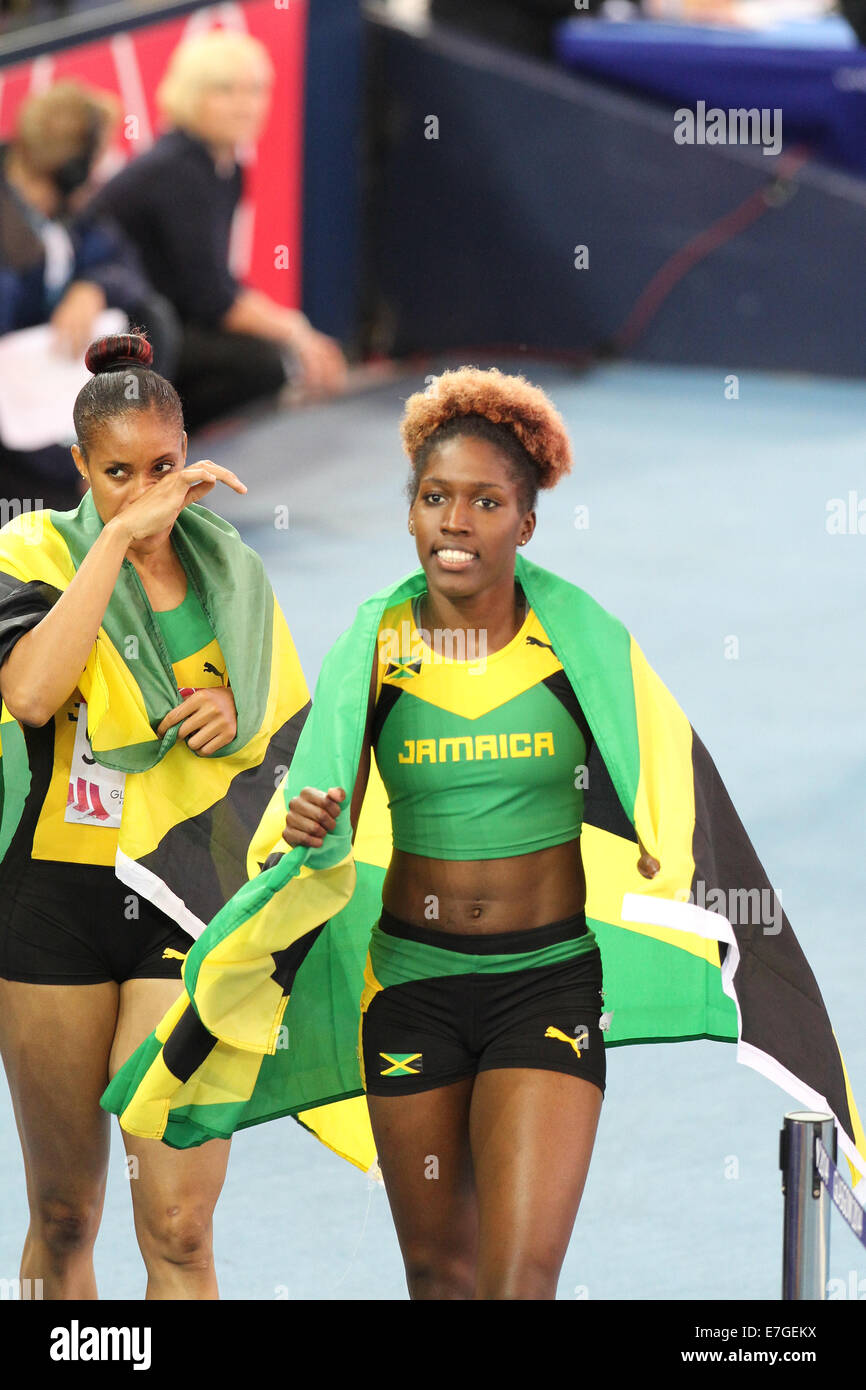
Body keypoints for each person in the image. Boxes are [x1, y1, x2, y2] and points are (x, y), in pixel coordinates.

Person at [104, 366, 866, 1299]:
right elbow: (306, 797)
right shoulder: (375, 641)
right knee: (439, 1278)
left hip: (542, 984)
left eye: (484, 501)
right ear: (411, 512)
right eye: (434, 498)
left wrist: (660, 845)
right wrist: (306, 826)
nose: (455, 522)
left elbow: (668, 771)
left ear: (526, 522)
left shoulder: (580, 641)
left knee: (519, 1284)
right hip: (411, 989)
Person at [0, 330, 309, 1299]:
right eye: (118, 473)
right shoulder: (31, 550)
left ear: (192, 454)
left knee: (176, 1224)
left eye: (164, 468)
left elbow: (283, 750)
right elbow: (34, 694)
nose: (145, 491)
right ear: (82, 468)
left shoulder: (232, 584)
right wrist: (115, 545)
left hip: (185, 906)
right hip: (50, 902)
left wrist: (233, 711)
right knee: (63, 1214)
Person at [89, 29, 347, 433]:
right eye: (226, 91)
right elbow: (214, 303)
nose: (246, 105)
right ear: (191, 95)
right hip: (118, 329)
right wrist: (299, 334)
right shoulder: (178, 171)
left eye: (257, 90)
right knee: (262, 364)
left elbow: (216, 286)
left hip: (164, 321)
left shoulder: (223, 168)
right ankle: (147, 444)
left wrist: (294, 331)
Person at [0, 81, 179, 510]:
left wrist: (94, 286)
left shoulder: (74, 210)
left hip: (53, 378)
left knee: (152, 317)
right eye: (97, 159)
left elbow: (127, 267)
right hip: (14, 413)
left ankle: (134, 456)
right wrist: (75, 467)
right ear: (72, 168)